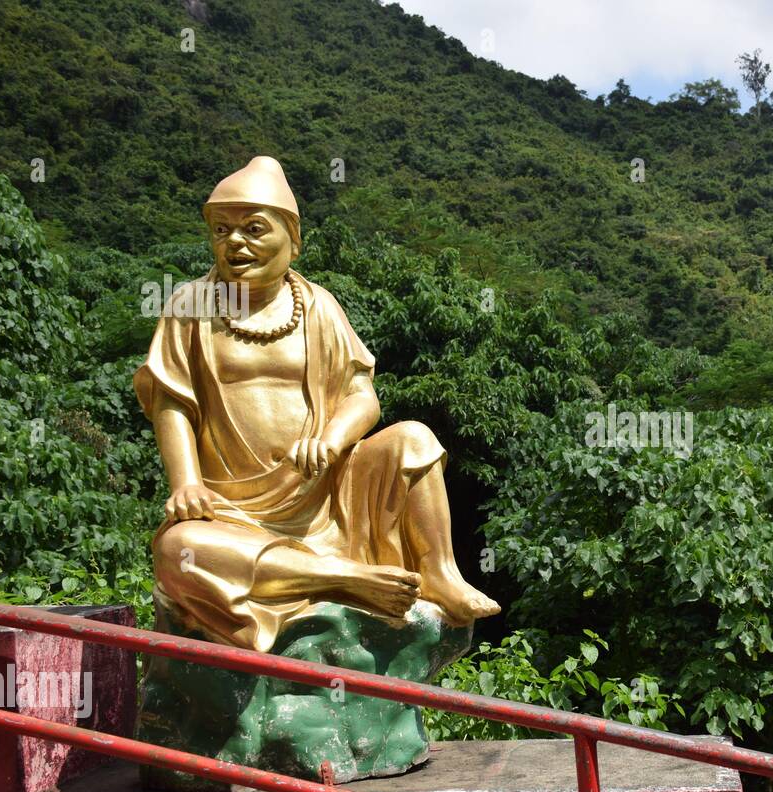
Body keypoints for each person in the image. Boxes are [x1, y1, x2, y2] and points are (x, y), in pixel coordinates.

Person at [134, 156, 499, 653]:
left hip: (326, 498)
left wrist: (330, 439)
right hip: (229, 514)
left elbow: (360, 395)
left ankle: (438, 573)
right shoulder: (189, 306)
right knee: (180, 551)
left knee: (414, 438)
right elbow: (172, 402)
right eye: (222, 230)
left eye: (253, 228)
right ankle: (342, 579)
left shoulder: (318, 305)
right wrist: (186, 484)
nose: (234, 242)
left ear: (292, 236)